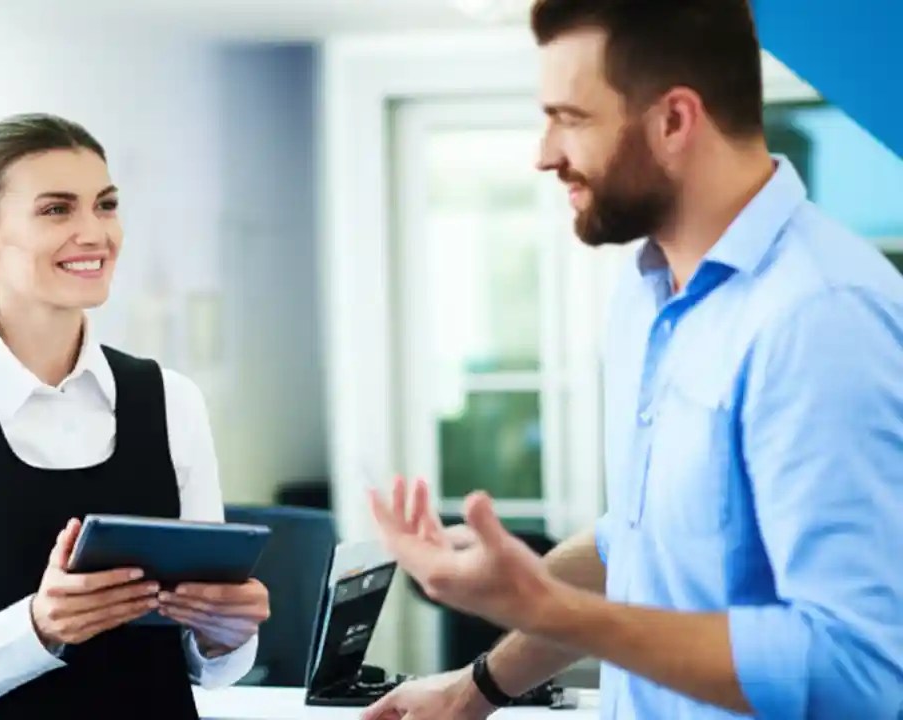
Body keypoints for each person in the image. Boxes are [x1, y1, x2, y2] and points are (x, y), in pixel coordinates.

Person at [363, 1, 903, 719]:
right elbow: (639, 548)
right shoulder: (648, 295)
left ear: (674, 121)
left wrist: (548, 606)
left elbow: (859, 671)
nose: (544, 152)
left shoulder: (822, 314)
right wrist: (475, 687)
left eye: (571, 117)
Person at [0, 113, 268, 720]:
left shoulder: (170, 400)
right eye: (56, 210)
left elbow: (209, 666)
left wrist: (224, 630)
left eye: (105, 205)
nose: (94, 232)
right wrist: (40, 626)